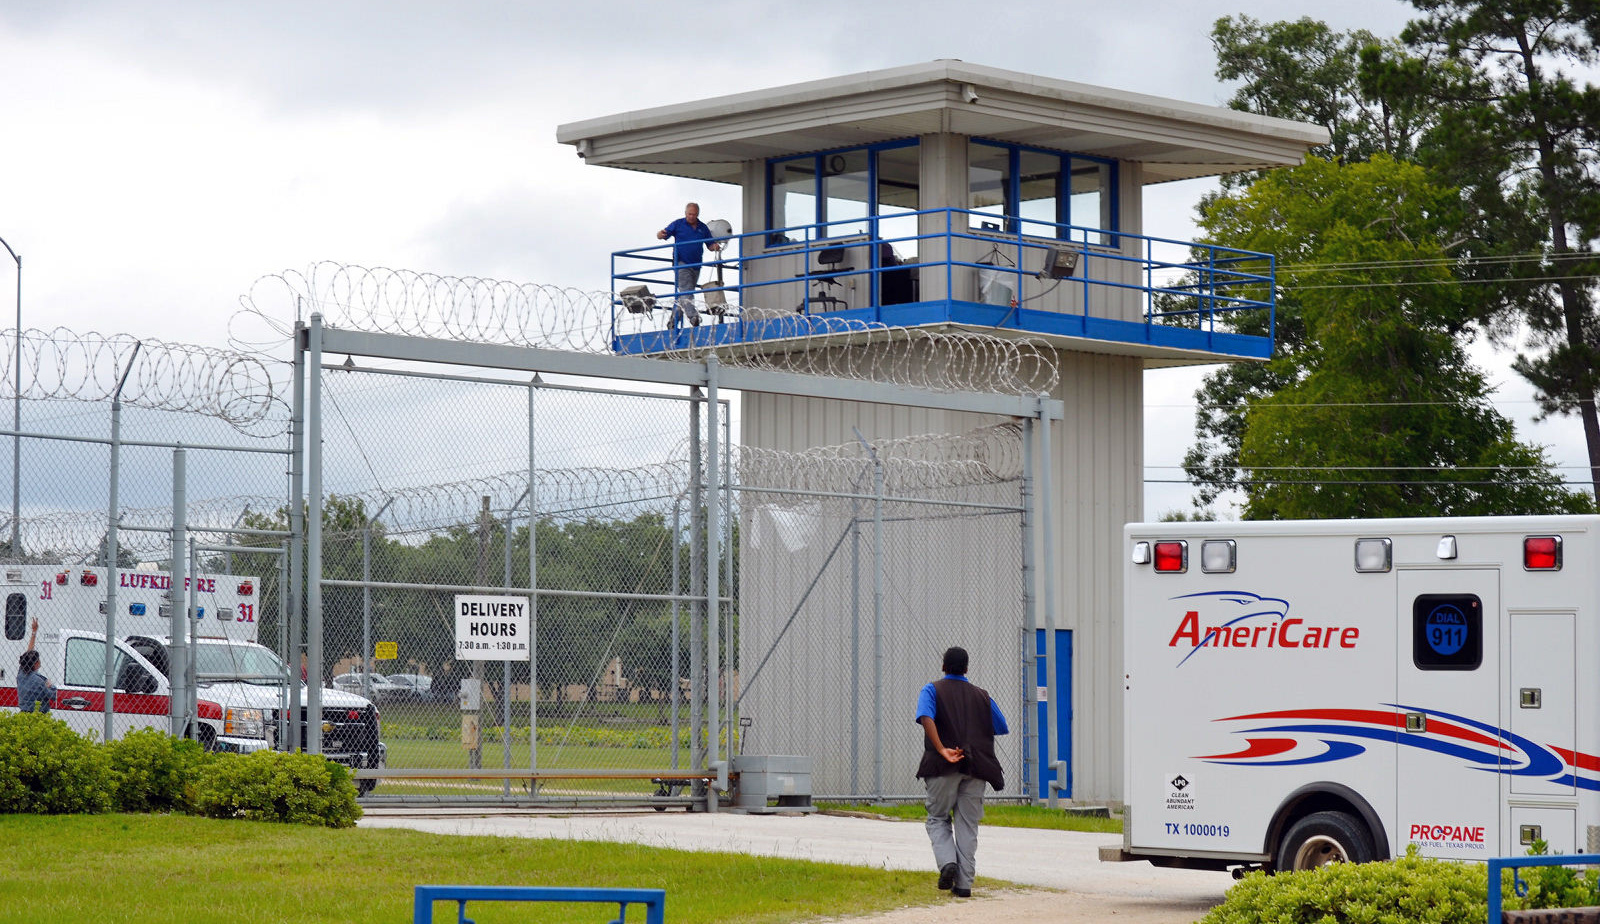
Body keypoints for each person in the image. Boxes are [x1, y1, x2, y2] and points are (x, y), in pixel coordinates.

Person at [915, 646, 1008, 898]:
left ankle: (947, 864)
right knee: (968, 825)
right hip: (977, 766)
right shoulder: (982, 696)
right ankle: (964, 885)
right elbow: (1001, 726)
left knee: (937, 817)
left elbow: (925, 716)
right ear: (967, 669)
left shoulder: (931, 689)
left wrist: (942, 748)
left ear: (943, 667)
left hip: (943, 767)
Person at [656, 202, 721, 330]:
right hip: (681, 262)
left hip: (696, 264)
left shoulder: (702, 227)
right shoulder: (678, 224)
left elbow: (710, 244)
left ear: (698, 214)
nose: (692, 216)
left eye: (694, 214)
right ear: (686, 213)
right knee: (687, 292)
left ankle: (673, 322)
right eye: (690, 214)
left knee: (684, 295)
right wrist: (660, 234)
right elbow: (663, 234)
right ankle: (694, 317)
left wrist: (716, 247)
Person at [17, 618, 56, 714]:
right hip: (38, 715)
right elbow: (53, 696)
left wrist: (34, 632)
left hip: (23, 713)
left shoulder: (21, 674)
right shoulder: (39, 681)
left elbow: (29, 652)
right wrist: (51, 686)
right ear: (36, 664)